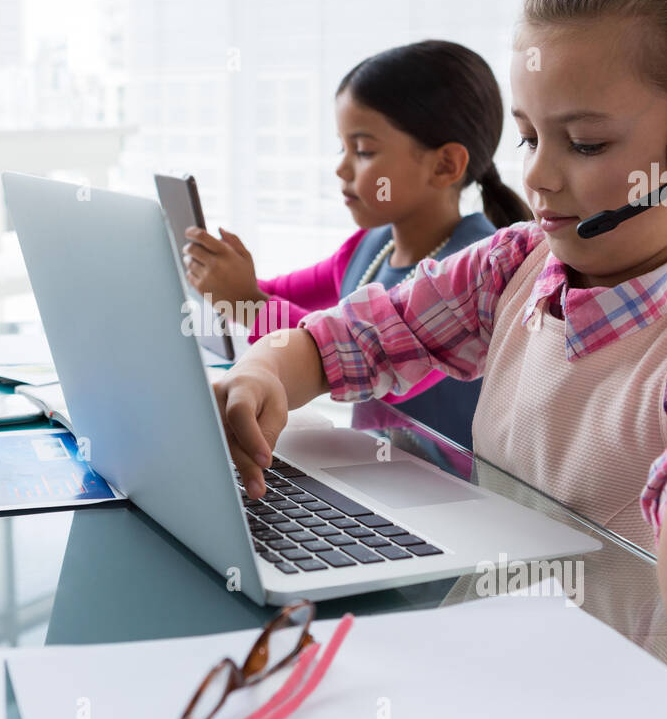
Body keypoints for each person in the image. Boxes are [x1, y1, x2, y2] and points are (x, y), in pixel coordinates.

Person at [213, 0, 667, 640]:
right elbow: (343, 341)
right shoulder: (514, 265)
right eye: (530, 136)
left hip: (640, 689)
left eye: (586, 143)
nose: (536, 175)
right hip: (501, 652)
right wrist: (262, 372)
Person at [183, 41, 529, 448]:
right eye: (342, 147)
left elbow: (376, 366)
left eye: (363, 151)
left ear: (444, 165)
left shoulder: (477, 276)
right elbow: (278, 297)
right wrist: (215, 277)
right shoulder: (371, 246)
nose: (341, 168)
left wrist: (248, 302)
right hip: (366, 468)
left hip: (438, 480)